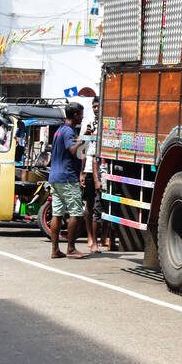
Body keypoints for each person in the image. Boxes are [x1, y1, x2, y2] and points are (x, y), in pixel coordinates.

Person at [48, 102, 87, 259]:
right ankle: (71, 249)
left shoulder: (60, 130)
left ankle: (55, 250)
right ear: (76, 115)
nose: (82, 117)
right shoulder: (68, 132)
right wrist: (83, 140)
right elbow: (72, 150)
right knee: (76, 213)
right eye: (81, 114)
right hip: (67, 177)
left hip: (55, 177)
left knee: (57, 213)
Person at [81, 100, 103, 254]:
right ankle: (90, 236)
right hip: (89, 166)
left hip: (104, 167)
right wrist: (81, 172)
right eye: (94, 106)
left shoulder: (107, 121)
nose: (96, 109)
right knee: (89, 205)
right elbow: (80, 147)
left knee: (100, 205)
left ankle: (103, 238)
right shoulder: (87, 122)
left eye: (98, 106)